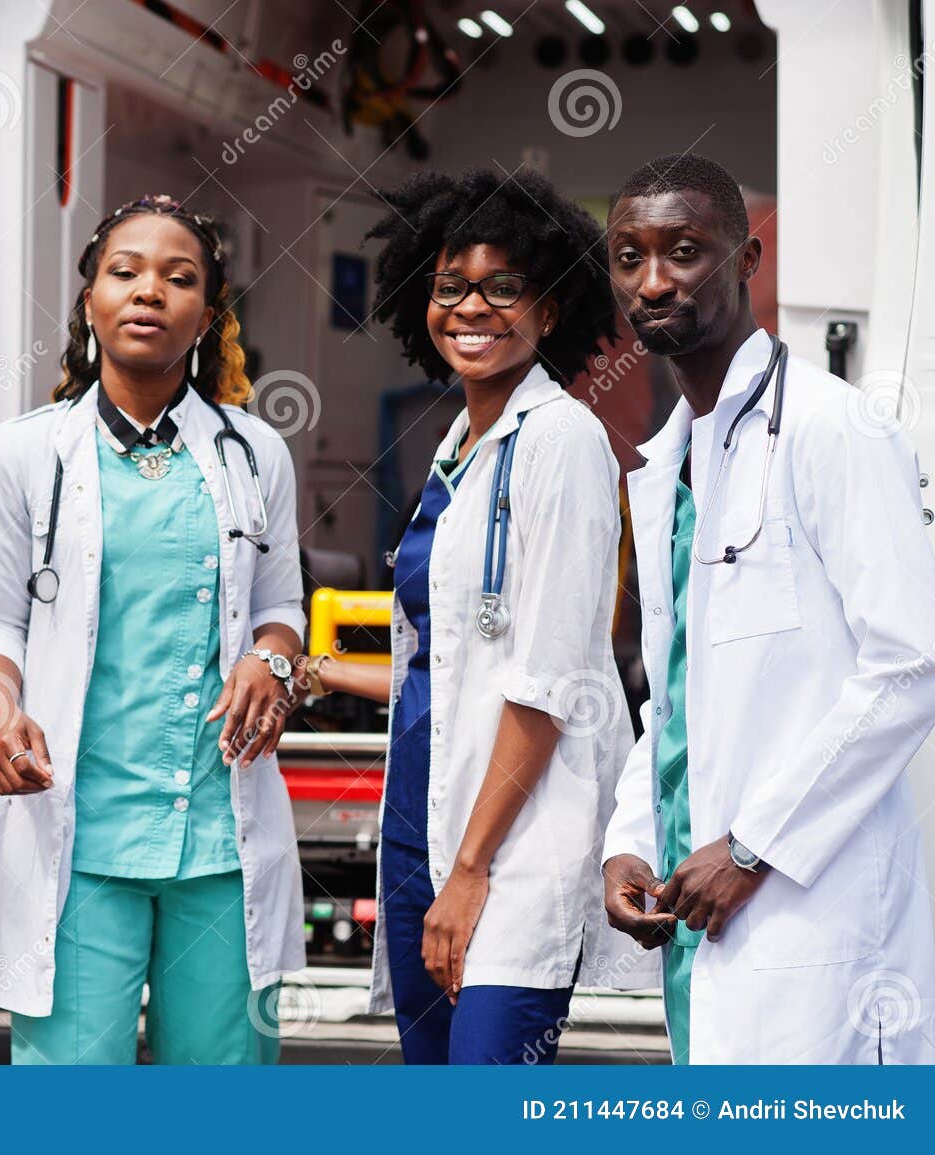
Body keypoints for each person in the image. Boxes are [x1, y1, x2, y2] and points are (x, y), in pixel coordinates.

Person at [0, 193, 307, 1064]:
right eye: (126, 272)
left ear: (208, 316)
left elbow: (282, 607)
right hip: (78, 836)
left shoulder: (255, 452)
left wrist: (270, 660)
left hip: (219, 838)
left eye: (179, 278)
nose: (150, 291)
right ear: (90, 303)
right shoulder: (23, 453)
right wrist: (0, 714)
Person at [310, 169, 649, 1064]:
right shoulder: (457, 444)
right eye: (451, 285)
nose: (471, 306)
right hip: (420, 822)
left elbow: (546, 678)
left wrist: (469, 871)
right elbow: (450, 660)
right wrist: (318, 670)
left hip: (509, 841)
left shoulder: (562, 440)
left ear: (550, 309)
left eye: (503, 287)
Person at [601, 153, 935, 1063]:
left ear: (746, 260)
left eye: (683, 251)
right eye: (629, 257)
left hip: (811, 921)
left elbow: (911, 665)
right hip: (693, 915)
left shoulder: (836, 428)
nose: (653, 281)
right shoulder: (665, 464)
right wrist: (630, 839)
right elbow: (672, 698)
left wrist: (754, 846)